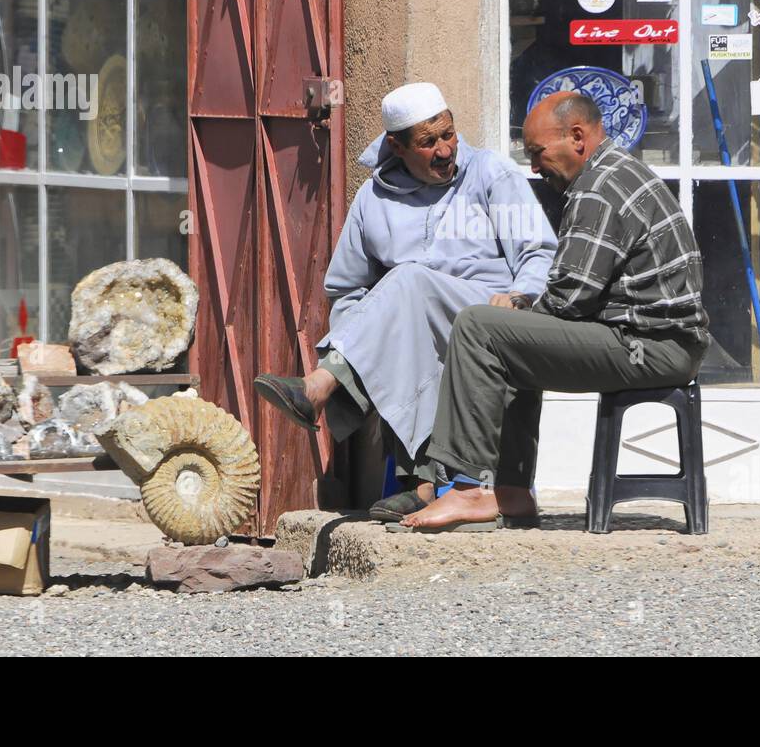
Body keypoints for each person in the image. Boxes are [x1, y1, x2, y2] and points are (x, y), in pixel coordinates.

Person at [399, 91, 709, 532]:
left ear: (577, 137)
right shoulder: (616, 171)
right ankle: (512, 492)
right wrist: (521, 313)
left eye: (538, 152)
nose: (534, 167)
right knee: (509, 338)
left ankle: (468, 489)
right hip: (662, 341)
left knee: (477, 328)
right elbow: (573, 300)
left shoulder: (598, 190)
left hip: (651, 347)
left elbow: (568, 300)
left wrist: (518, 310)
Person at [253, 82, 557, 520]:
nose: (445, 150)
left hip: (494, 316)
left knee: (409, 280)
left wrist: (519, 295)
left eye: (448, 134)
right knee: (404, 316)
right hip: (419, 328)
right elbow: (347, 289)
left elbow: (538, 253)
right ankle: (427, 484)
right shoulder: (372, 201)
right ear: (396, 146)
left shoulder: (492, 173)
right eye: (428, 142)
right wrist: (367, 336)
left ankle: (321, 386)